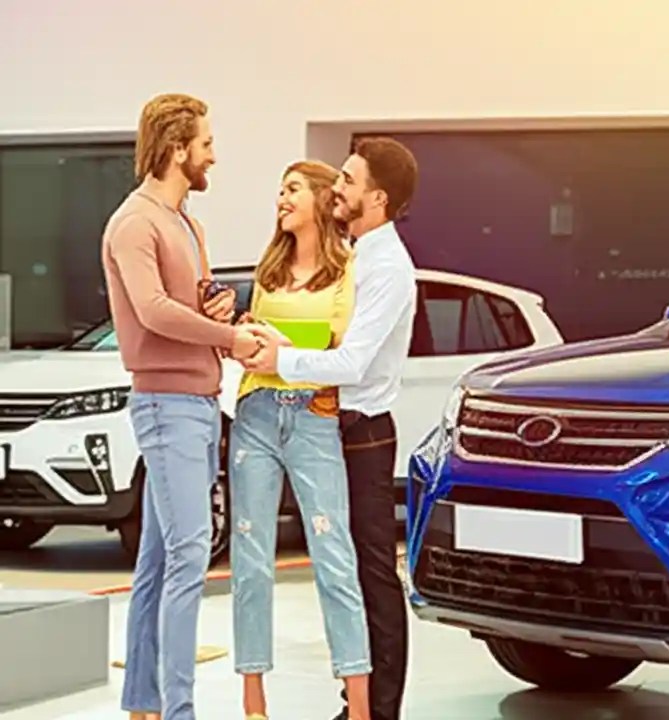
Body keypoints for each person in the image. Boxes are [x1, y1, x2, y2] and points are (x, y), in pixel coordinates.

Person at [103, 93, 266, 720]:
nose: (213, 156)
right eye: (205, 144)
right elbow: (152, 312)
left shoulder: (188, 225)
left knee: (158, 561)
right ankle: (179, 711)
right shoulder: (133, 223)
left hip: (198, 406)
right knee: (191, 554)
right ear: (177, 149)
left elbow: (186, 305)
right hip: (165, 406)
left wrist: (217, 309)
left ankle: (142, 702)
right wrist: (230, 337)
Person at [244, 136, 418, 720]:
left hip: (360, 431)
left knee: (369, 572)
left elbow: (351, 363)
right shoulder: (347, 256)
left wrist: (279, 359)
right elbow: (325, 337)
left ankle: (378, 711)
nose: (336, 188)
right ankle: (357, 703)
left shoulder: (389, 268)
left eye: (346, 180)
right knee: (339, 568)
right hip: (318, 423)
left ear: (378, 196)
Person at [228, 160, 372, 720]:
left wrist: (279, 343)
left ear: (317, 199)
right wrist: (243, 335)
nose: (280, 199)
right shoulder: (267, 272)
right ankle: (253, 703)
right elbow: (261, 348)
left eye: (290, 190)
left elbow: (340, 349)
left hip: (314, 415)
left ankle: (358, 707)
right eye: (279, 190)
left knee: (335, 559)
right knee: (251, 559)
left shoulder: (346, 273)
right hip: (255, 413)